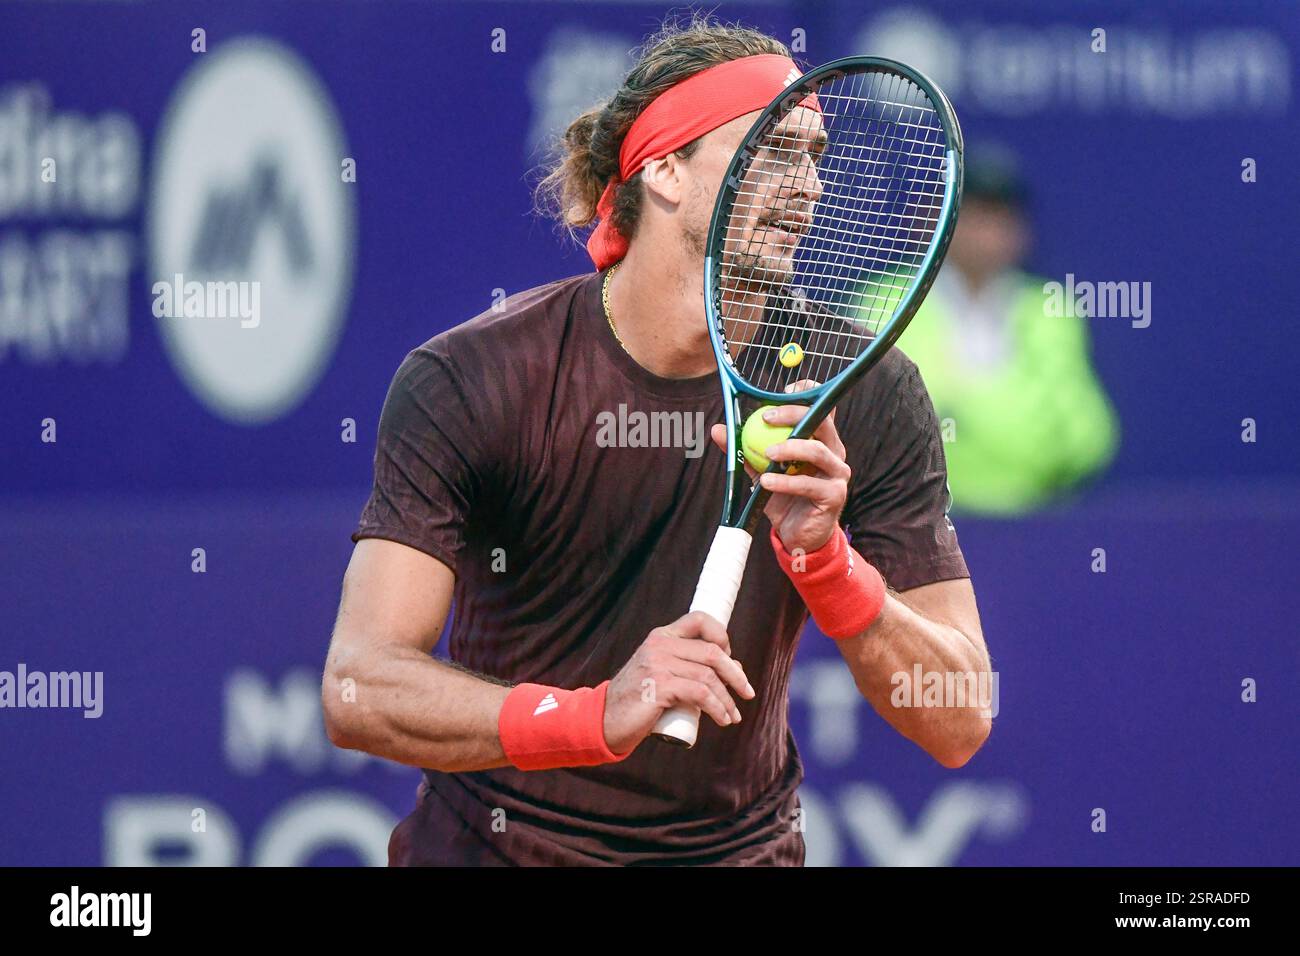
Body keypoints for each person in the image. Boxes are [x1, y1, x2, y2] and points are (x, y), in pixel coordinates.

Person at [322, 17, 991, 866]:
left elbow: (960, 717)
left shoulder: (867, 388)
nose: (808, 186)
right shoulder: (475, 379)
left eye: (814, 155)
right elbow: (359, 685)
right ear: (665, 169)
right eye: (773, 151)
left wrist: (829, 564)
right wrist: (593, 716)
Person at [899, 147, 1119, 514]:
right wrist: (1015, 423)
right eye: (975, 215)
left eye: (1001, 218)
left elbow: (1088, 438)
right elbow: (897, 423)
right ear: (940, 219)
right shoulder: (890, 298)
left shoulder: (1050, 309)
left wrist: (964, 413)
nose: (987, 233)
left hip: (1032, 521)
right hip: (917, 518)